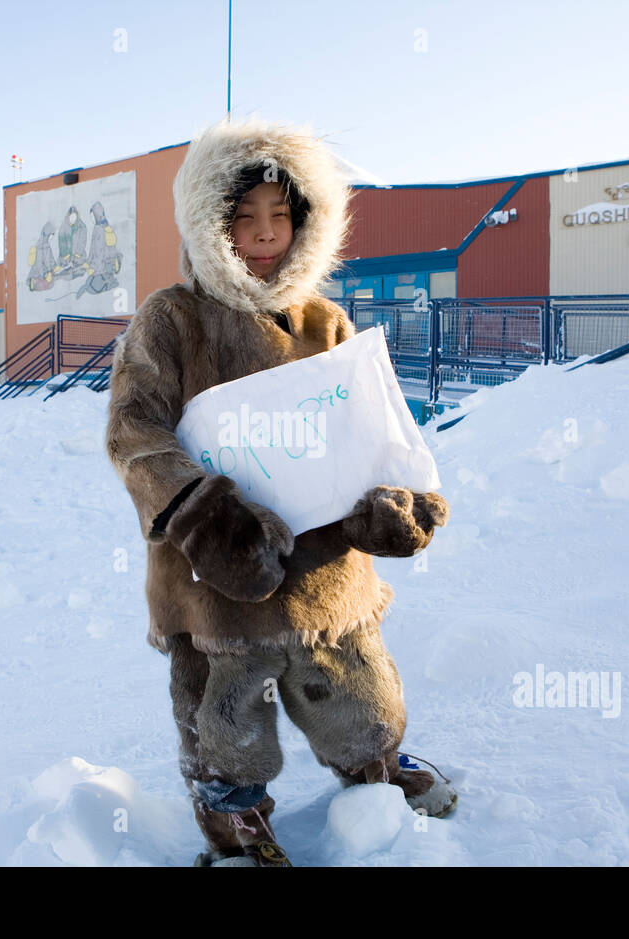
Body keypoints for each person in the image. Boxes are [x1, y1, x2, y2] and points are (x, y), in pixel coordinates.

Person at [104, 116, 455, 867]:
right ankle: (232, 815)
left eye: (281, 214)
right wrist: (205, 520)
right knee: (226, 712)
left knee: (361, 694)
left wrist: (393, 503)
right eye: (244, 216)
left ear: (308, 222)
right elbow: (135, 433)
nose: (265, 233)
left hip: (328, 571)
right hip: (218, 581)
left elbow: (372, 429)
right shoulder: (174, 319)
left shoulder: (326, 321)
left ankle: (375, 769)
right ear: (211, 223)